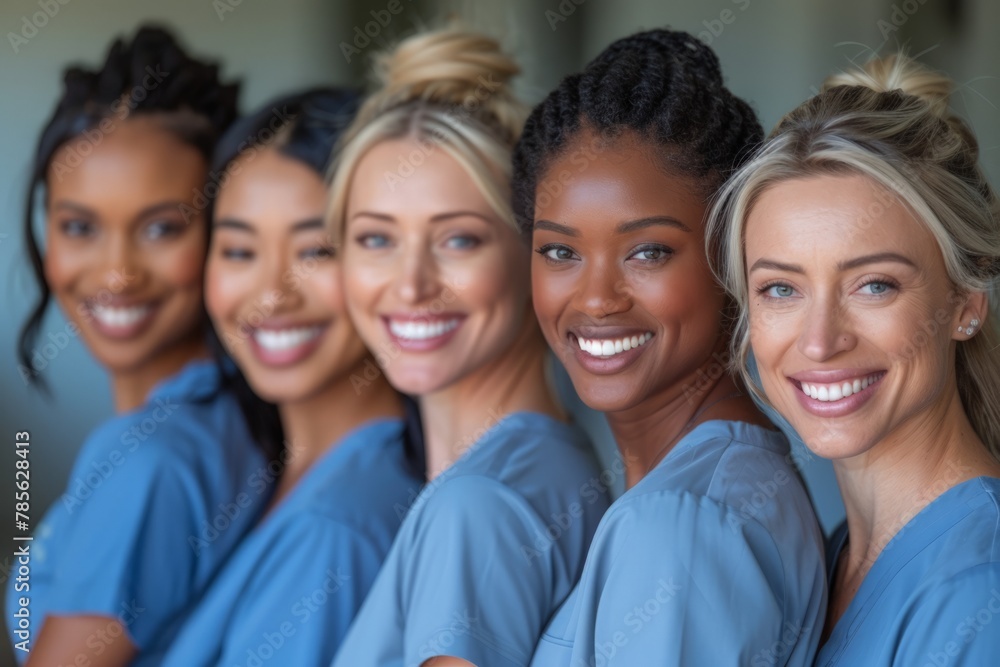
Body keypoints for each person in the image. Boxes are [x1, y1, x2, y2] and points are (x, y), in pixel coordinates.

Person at [514, 29, 827, 665]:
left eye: (649, 251)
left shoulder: (678, 526)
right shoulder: (715, 486)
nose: (597, 298)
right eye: (559, 251)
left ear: (733, 260)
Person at [328, 26, 609, 667]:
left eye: (458, 240)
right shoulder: (540, 466)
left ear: (533, 253)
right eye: (376, 239)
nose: (410, 283)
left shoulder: (477, 508)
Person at [708, 54, 1000, 666]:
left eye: (873, 285)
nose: (819, 341)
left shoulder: (979, 590)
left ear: (965, 303)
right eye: (781, 289)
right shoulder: (839, 555)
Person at [6, 26, 272, 667]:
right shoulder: (221, 417)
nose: (117, 272)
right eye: (80, 227)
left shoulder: (152, 462)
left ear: (224, 229)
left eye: (160, 228)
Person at [157, 88, 426, 666]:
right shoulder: (255, 470)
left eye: (316, 251)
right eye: (238, 250)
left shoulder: (337, 529)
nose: (272, 295)